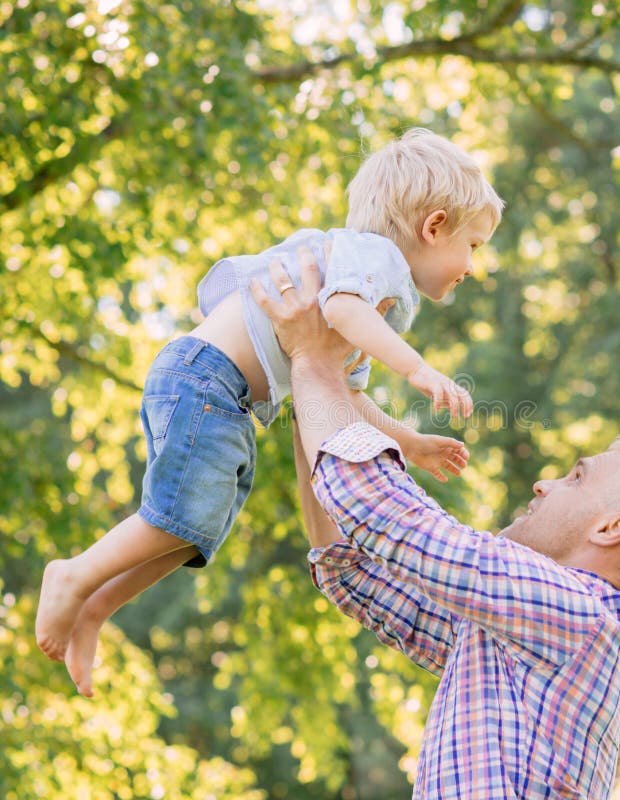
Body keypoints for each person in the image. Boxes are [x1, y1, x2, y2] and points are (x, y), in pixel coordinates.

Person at [35, 128, 504, 697]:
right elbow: (343, 308)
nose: (474, 266)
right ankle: (73, 575)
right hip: (205, 377)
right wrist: (420, 372)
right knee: (180, 512)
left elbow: (345, 396)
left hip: (218, 395)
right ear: (434, 227)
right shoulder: (369, 260)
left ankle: (95, 605)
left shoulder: (370, 292)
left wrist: (411, 442)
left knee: (193, 530)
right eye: (473, 245)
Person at [252, 258, 620, 800]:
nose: (546, 484)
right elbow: (352, 569)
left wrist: (314, 363)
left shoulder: (586, 617)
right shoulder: (516, 635)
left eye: (576, 476)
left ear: (614, 526)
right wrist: (308, 386)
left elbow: (382, 513)